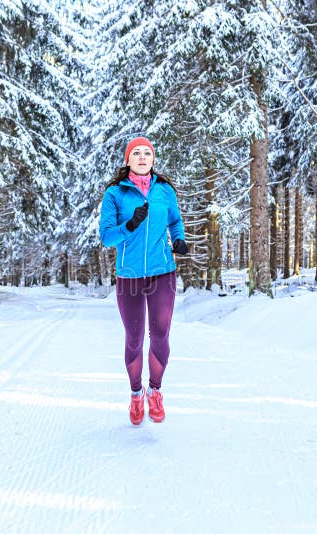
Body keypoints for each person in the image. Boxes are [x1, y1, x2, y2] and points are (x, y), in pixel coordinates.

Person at [99, 137, 188, 425]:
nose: (141, 157)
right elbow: (107, 236)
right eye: (136, 153)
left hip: (163, 272)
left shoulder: (164, 191)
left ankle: (155, 392)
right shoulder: (115, 194)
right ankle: (136, 395)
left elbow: (174, 221)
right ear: (128, 160)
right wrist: (131, 225)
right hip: (130, 277)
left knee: (160, 335)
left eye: (147, 153)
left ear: (153, 159)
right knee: (135, 339)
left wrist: (179, 240)